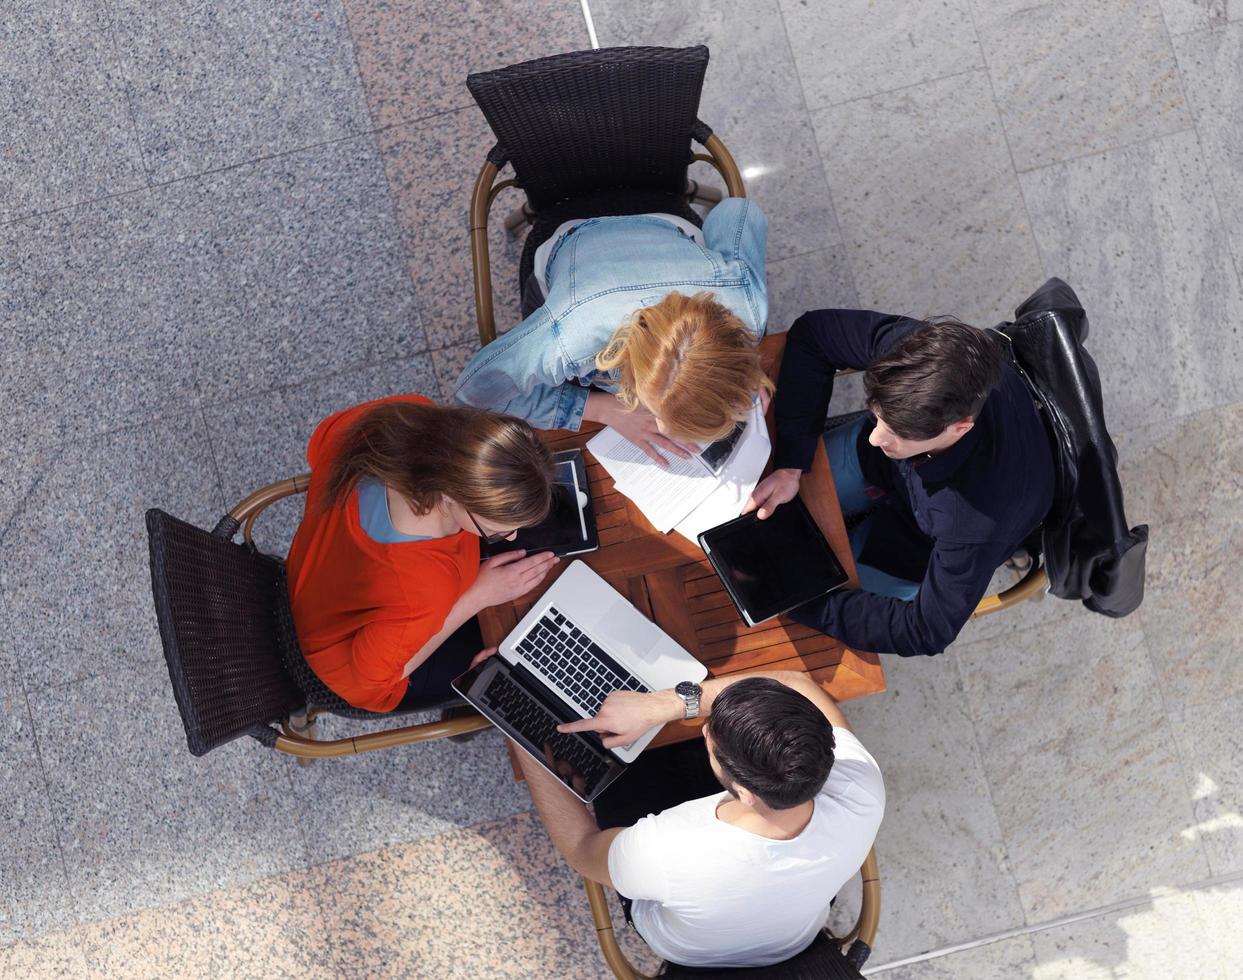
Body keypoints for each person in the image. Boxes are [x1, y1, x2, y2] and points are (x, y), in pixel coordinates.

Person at [511, 669, 884, 969]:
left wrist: (518, 731)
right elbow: (796, 685)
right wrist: (664, 705)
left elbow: (581, 849)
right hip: (792, 934)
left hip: (686, 950)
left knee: (628, 759)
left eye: (712, 738)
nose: (706, 729)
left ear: (747, 792)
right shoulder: (860, 788)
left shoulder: (664, 852)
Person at [745, 310, 1055, 656]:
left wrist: (800, 602)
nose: (876, 437)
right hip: (893, 474)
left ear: (959, 428)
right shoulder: (917, 353)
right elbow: (814, 333)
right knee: (760, 500)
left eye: (896, 431)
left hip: (918, 540)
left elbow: (927, 630)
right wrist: (791, 463)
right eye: (877, 416)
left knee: (806, 611)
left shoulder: (975, 521)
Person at [284, 395, 560, 713]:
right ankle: (465, 709)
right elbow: (368, 686)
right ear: (449, 496)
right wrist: (477, 598)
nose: (510, 537)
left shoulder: (406, 413)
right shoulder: (422, 587)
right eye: (495, 531)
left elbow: (322, 443)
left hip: (317, 572)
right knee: (520, 661)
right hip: (340, 661)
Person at [454, 199, 772, 464]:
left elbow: (739, 210)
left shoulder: (746, 306)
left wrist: (741, 376)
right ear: (632, 381)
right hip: (572, 240)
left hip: (659, 228)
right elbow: (472, 394)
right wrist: (600, 408)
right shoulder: (572, 337)